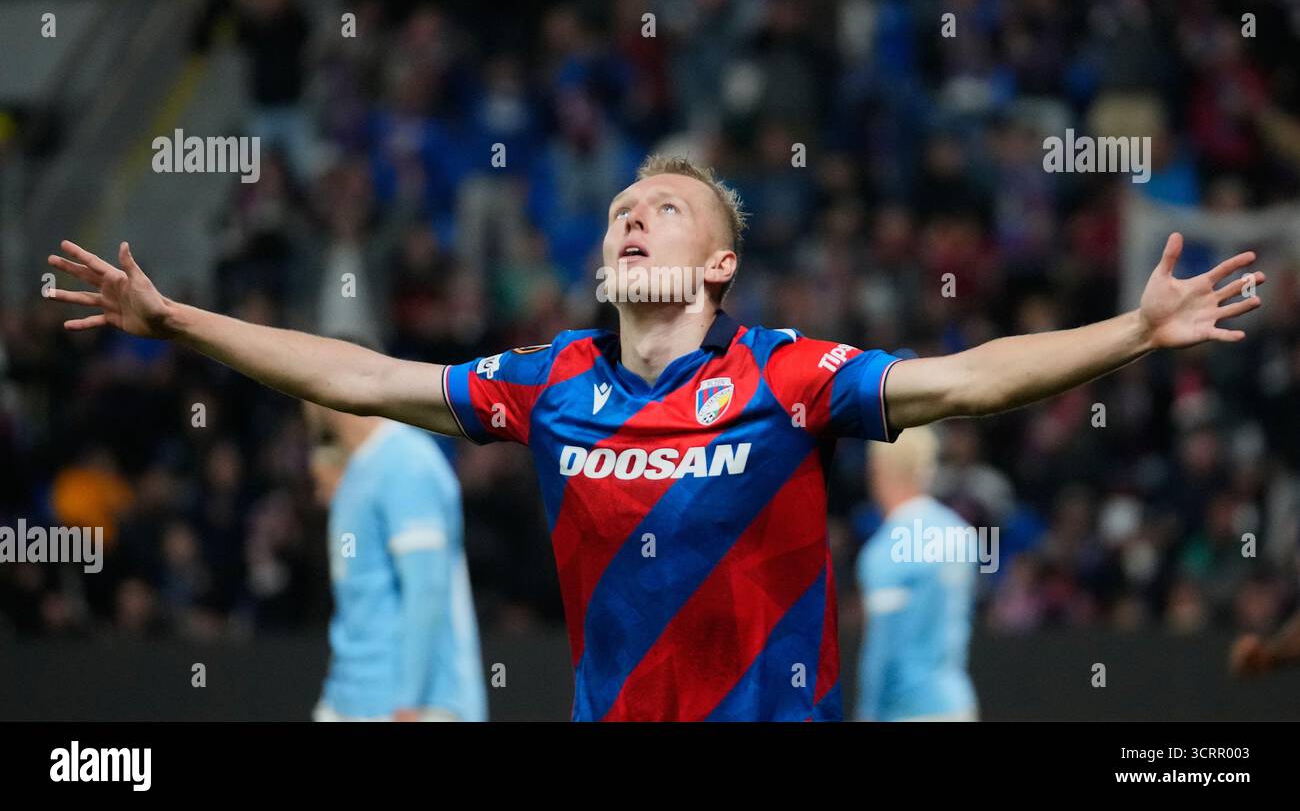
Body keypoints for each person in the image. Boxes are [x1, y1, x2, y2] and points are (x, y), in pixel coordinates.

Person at [47, 154, 1265, 721]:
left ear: (719, 263)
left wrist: (1134, 331)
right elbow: (361, 375)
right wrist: (176, 322)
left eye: (664, 209)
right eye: (623, 208)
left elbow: (966, 381)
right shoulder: (554, 380)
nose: (632, 218)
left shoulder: (785, 373)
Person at [303, 400, 486, 722]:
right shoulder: (358, 469)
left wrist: (407, 703)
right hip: (351, 700)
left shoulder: (407, 461)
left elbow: (426, 589)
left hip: (411, 707)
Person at [855, 424, 978, 721]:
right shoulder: (960, 535)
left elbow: (883, 649)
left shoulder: (884, 552)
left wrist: (867, 712)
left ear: (876, 470)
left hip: (906, 710)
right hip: (957, 703)